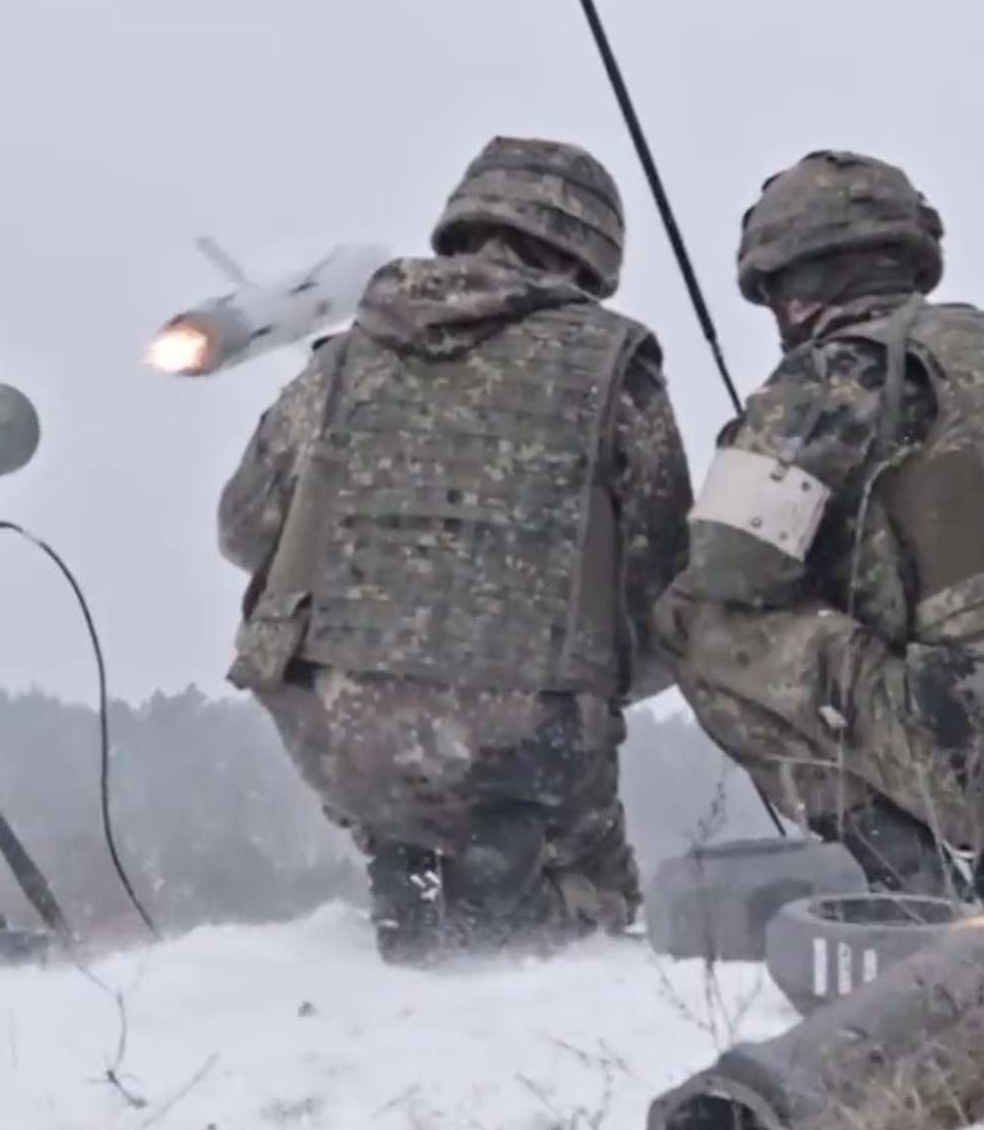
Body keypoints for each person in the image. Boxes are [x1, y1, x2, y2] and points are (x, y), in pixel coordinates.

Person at [654, 150, 984, 902]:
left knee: (693, 617)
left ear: (797, 286)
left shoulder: (843, 369)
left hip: (982, 749)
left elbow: (725, 566)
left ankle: (910, 881)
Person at [218, 137, 692, 962]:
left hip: (337, 730)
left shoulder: (341, 361)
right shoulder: (613, 367)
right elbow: (665, 581)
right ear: (591, 250)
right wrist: (603, 687)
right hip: (529, 742)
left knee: (403, 794)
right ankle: (514, 879)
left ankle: (408, 851)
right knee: (588, 929)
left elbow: (243, 528)